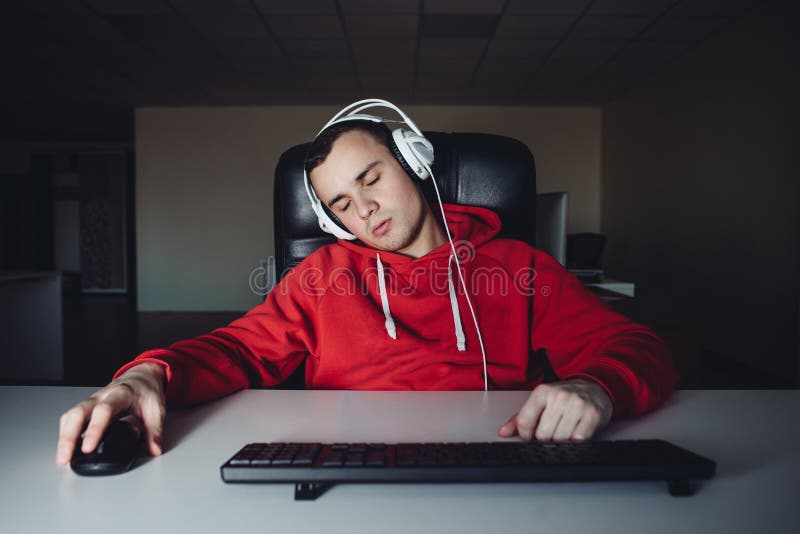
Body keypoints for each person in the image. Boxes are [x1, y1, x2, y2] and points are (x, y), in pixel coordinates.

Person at [56, 101, 678, 466]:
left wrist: (597, 386)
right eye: (341, 205)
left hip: (497, 462)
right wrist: (150, 373)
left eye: (372, 179)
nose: (364, 210)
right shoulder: (321, 278)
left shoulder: (519, 268)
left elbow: (638, 347)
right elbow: (237, 350)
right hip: (348, 473)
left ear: (414, 162)